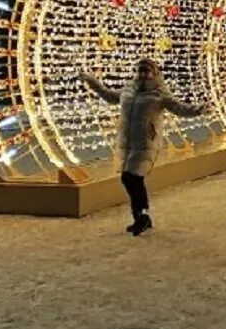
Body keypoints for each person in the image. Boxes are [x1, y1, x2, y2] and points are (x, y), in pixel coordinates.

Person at [81, 59, 207, 235]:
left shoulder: (159, 94)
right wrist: (91, 81)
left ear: (154, 74)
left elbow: (179, 108)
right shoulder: (128, 90)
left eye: (147, 71)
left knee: (131, 177)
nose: (143, 75)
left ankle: (142, 216)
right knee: (130, 179)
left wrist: (197, 110)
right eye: (140, 71)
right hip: (127, 142)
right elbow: (109, 96)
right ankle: (141, 217)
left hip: (146, 143)